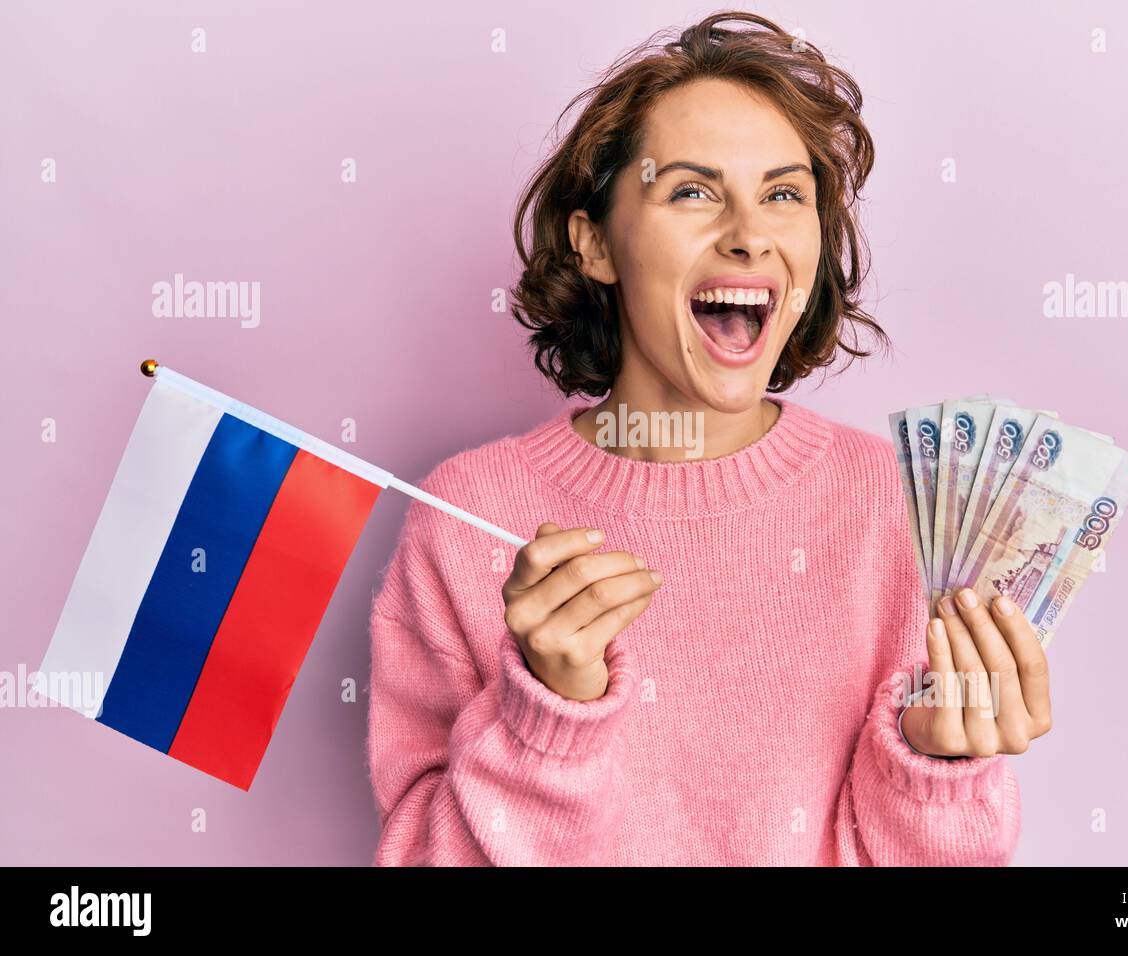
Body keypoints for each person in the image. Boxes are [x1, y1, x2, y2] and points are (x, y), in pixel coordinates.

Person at [366, 11, 1051, 866]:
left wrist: (934, 771)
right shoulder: (465, 515)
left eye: (784, 195)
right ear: (595, 244)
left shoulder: (900, 507)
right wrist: (547, 713)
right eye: (691, 191)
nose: (748, 234)